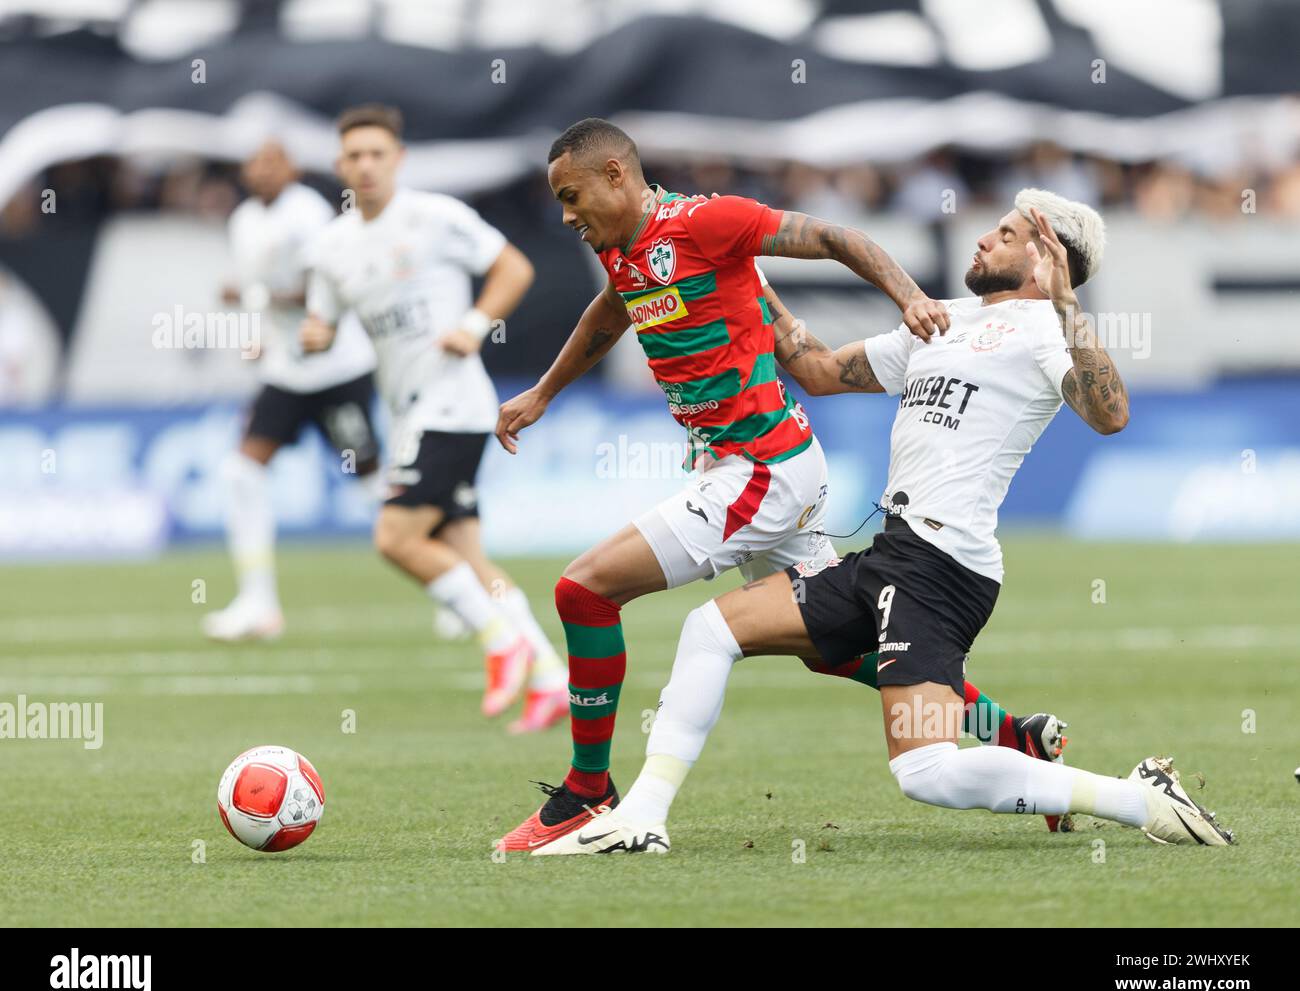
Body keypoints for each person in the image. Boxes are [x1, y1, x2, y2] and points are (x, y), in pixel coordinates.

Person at [536, 190, 1234, 854]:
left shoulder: (1047, 334)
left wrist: (1069, 308)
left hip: (940, 571)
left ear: (1049, 260)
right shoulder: (947, 320)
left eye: (1010, 234)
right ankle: (643, 817)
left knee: (925, 770)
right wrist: (748, 283)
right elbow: (816, 371)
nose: (986, 236)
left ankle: (1138, 799)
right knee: (710, 629)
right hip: (887, 557)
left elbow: (1111, 415)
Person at [495, 119, 1066, 851]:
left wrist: (908, 298)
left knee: (584, 590)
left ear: (615, 175)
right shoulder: (624, 250)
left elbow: (834, 238)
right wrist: (544, 393)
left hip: (760, 471)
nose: (568, 216)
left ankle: (587, 792)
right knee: (833, 642)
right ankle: (1012, 735)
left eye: (573, 196)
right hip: (761, 468)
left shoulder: (708, 220)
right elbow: (613, 309)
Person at [302, 105, 568, 733]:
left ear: (398, 159)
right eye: (354, 156)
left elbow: (514, 267)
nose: (366, 165)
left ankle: (498, 639)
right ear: (340, 166)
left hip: (453, 403)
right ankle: (553, 678)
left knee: (395, 538)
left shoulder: (436, 218)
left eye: (377, 153)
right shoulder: (332, 248)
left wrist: (473, 326)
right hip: (406, 413)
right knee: (469, 557)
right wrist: (312, 336)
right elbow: (322, 323)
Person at [203, 140, 379, 641]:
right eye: (253, 161)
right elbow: (264, 296)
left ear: (292, 168)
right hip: (286, 372)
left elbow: (322, 288)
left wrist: (251, 297)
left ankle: (450, 590)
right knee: (241, 472)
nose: (260, 170)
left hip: (335, 367)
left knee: (371, 483)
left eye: (270, 160)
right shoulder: (243, 220)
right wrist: (257, 336)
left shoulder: (307, 212)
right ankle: (258, 604)